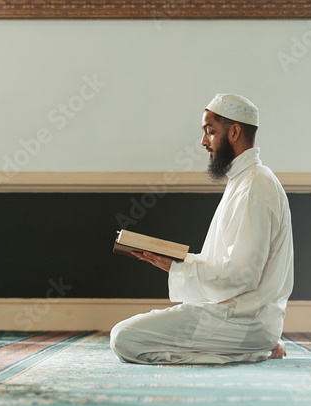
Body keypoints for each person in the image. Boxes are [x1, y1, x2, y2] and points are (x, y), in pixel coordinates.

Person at [110, 94, 294, 364]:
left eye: (210, 132)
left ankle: (247, 347)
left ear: (234, 132)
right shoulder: (244, 180)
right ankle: (251, 344)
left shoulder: (255, 186)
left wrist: (178, 267)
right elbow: (230, 266)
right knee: (132, 333)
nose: (203, 142)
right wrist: (174, 261)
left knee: (123, 338)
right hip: (236, 316)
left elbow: (242, 275)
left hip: (241, 321)